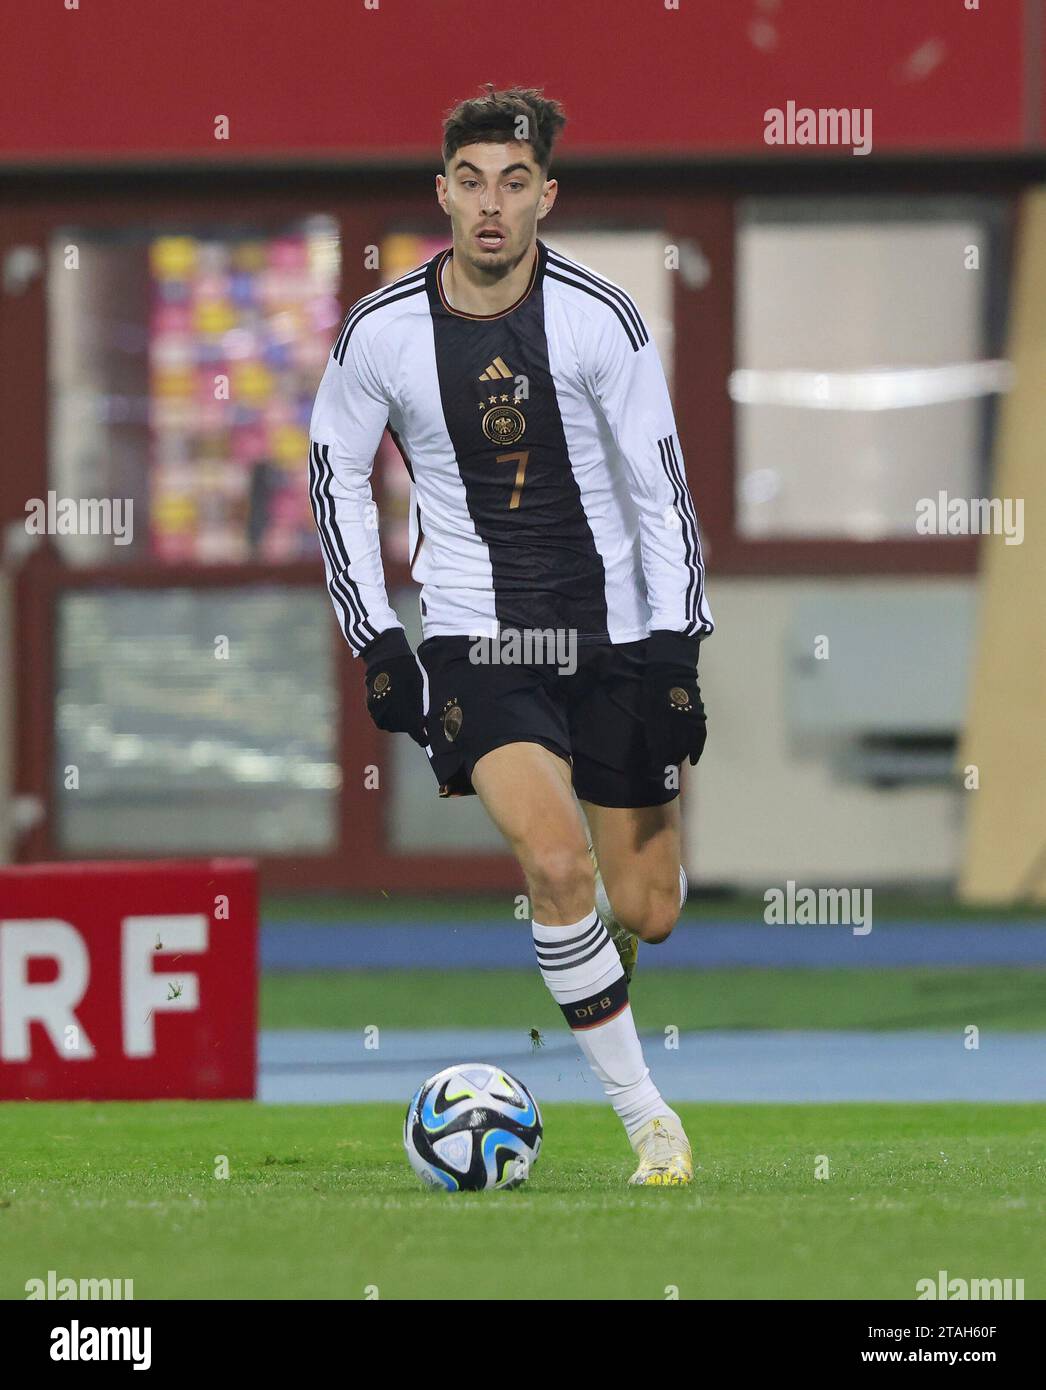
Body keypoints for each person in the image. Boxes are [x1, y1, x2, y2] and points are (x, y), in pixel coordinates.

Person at [309, 84, 713, 1185]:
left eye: (514, 183)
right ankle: (649, 1124)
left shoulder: (600, 318)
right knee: (551, 858)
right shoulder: (380, 332)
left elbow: (660, 492)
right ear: (442, 194)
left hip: (616, 642)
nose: (491, 206)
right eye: (471, 182)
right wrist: (379, 638)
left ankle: (595, 944)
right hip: (478, 644)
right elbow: (334, 472)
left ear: (546, 196)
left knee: (652, 909)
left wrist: (676, 649)